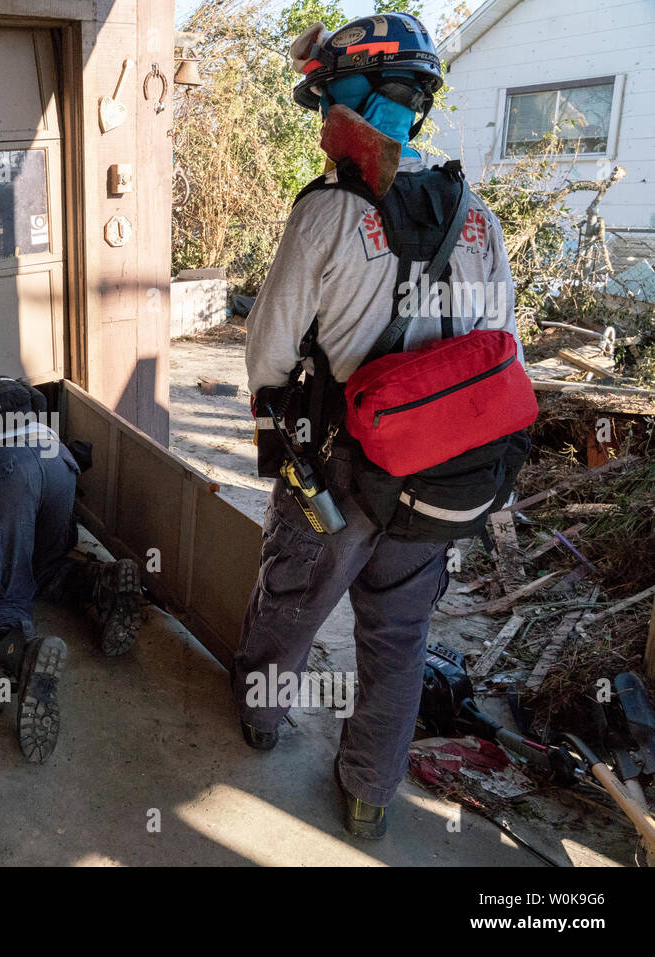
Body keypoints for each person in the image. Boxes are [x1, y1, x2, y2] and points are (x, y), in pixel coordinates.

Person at [234, 13, 525, 838]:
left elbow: (269, 349)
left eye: (328, 98)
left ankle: (260, 719)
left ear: (360, 96)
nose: (323, 118)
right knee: (399, 635)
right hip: (437, 477)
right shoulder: (479, 219)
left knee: (291, 600)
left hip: (336, 468)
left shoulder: (327, 213)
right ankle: (369, 796)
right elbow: (500, 348)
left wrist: (271, 423)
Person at [0, 375, 142, 764]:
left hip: (5, 470)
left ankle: (24, 652)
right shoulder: (19, 412)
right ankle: (105, 579)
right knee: (47, 566)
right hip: (57, 461)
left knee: (0, 592)